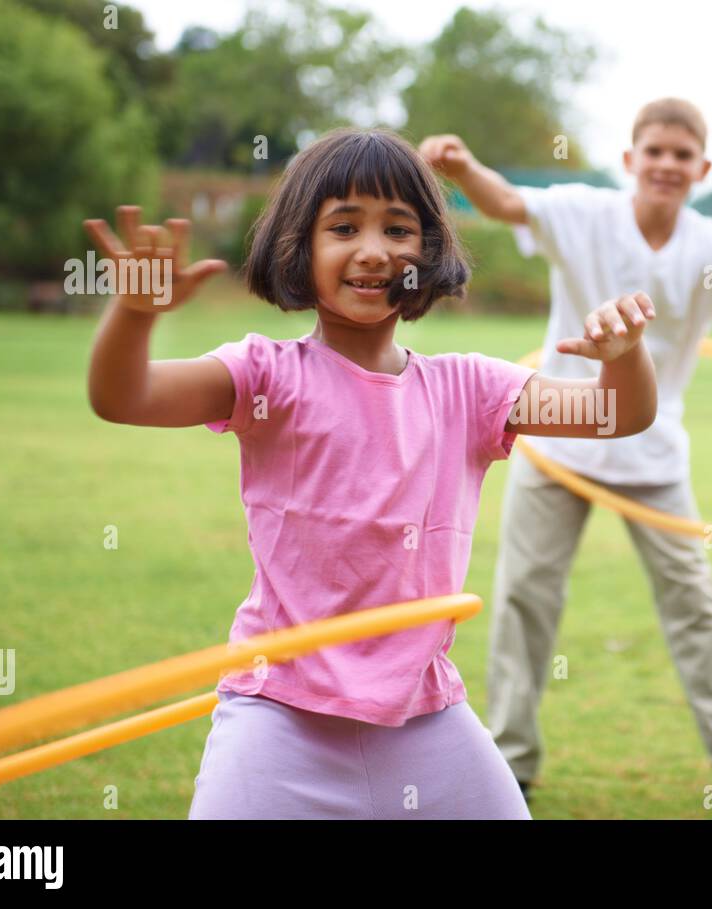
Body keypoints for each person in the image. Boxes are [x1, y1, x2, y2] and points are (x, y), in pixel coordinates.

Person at [82, 127, 659, 819]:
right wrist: (133, 315)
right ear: (301, 246)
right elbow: (125, 397)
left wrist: (624, 357)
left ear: (430, 252)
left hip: (425, 720)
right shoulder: (267, 375)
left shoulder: (470, 389)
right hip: (279, 717)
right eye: (344, 226)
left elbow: (613, 415)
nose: (374, 250)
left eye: (399, 228)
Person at [420, 98, 712, 817]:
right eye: (654, 152)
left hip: (652, 451)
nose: (667, 165)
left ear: (702, 169)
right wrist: (462, 164)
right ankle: (510, 760)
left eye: (681, 155)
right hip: (560, 432)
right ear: (631, 160)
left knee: (694, 603)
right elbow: (505, 202)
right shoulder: (582, 212)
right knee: (523, 596)